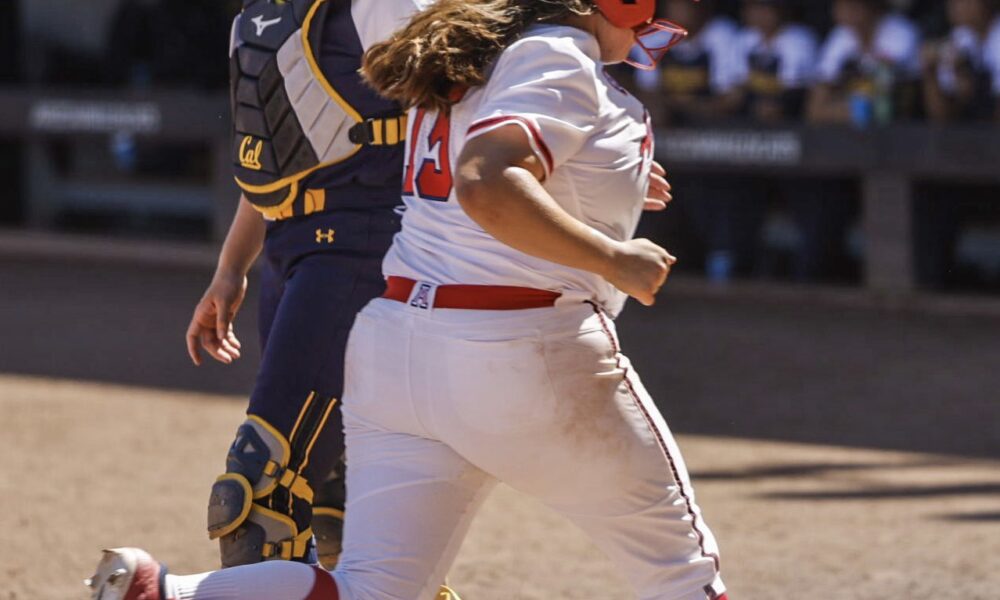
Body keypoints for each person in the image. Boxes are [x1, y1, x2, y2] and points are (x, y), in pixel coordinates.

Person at [86, 1, 728, 599]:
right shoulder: (552, 51)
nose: (651, 28)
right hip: (517, 343)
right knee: (681, 571)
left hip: (395, 345)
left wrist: (602, 164)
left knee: (373, 584)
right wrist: (615, 257)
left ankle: (164, 592)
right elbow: (485, 182)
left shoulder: (471, 54)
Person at [184, 0, 446, 582]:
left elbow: (473, 114)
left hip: (359, 250)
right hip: (291, 253)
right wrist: (231, 268)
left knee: (259, 495)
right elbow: (282, 152)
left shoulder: (385, 6)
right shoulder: (264, 15)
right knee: (334, 508)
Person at [914, 0, 1000, 288]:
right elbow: (942, 116)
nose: (953, 7)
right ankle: (937, 288)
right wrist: (929, 74)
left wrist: (973, 93)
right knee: (928, 194)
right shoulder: (961, 40)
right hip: (972, 160)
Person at [808, 0, 922, 125]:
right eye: (840, 5)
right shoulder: (840, 36)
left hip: (902, 124)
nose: (844, 11)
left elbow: (885, 105)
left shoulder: (900, 32)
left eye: (852, 5)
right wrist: (854, 110)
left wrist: (846, 107)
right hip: (851, 130)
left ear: (872, 6)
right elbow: (816, 108)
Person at [731, 0, 819, 122]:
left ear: (781, 10)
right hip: (751, 117)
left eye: (764, 8)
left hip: (793, 120)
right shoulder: (745, 38)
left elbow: (794, 92)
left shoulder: (798, 39)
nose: (759, 14)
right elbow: (736, 86)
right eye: (754, 8)